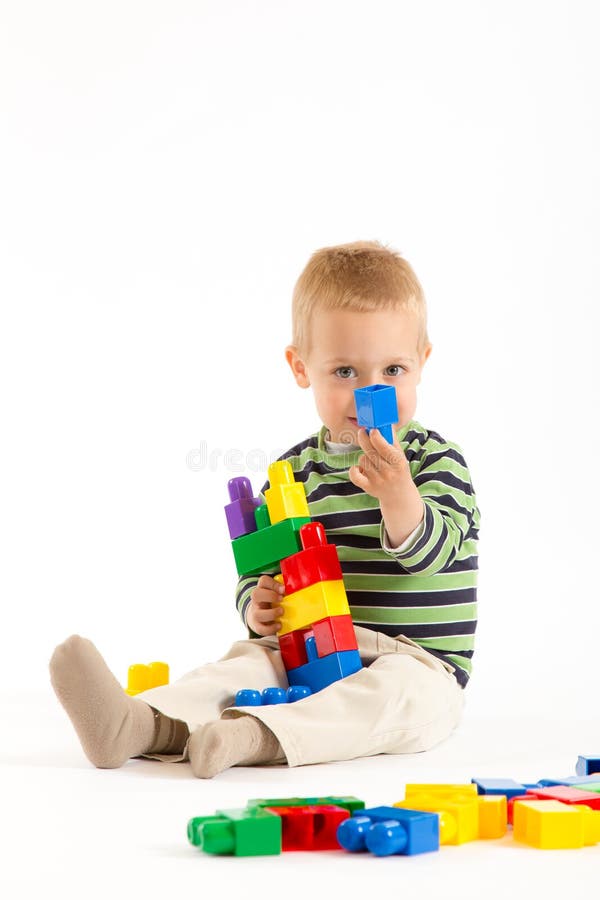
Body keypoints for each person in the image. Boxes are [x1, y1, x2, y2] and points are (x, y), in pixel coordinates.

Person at [50, 240, 480, 778]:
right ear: (301, 367)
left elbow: (432, 557)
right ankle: (144, 724)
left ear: (422, 364)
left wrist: (398, 495)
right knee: (242, 665)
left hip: (414, 659)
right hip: (305, 650)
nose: (370, 392)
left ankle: (254, 736)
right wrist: (258, 606)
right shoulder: (291, 473)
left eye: (393, 369)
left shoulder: (436, 460)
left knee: (397, 698)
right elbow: (261, 570)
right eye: (345, 372)